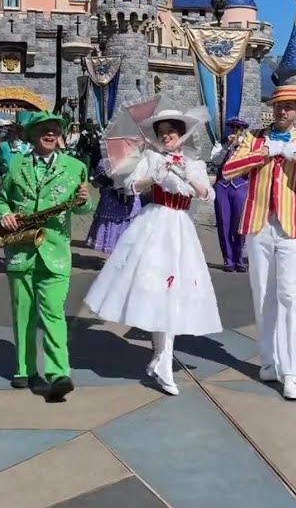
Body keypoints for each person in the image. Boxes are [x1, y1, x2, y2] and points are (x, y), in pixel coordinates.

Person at [85, 109, 222, 396]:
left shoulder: (192, 162)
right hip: (155, 222)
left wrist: (188, 175)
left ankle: (162, 356)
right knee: (157, 289)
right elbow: (131, 187)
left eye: (171, 131)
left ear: (180, 134)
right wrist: (154, 177)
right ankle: (163, 357)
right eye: (162, 133)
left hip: (180, 227)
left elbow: (208, 196)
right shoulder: (152, 157)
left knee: (174, 291)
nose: (167, 136)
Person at [221, 85, 296, 401]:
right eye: (278, 106)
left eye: (289, 106)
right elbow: (229, 169)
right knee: (262, 296)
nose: (283, 111)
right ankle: (269, 361)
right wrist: (264, 153)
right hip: (258, 225)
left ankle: (291, 372)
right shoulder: (254, 137)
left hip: (290, 226)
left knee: (289, 296)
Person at [0, 111, 93, 402]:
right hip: (20, 249)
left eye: (54, 130)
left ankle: (59, 373)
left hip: (55, 251)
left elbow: (84, 209)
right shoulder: (16, 165)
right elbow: (1, 201)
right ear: (32, 136)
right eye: (44, 130)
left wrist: (86, 202)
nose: (50, 134)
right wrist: (6, 215)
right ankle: (24, 369)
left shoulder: (75, 167)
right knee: (22, 313)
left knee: (53, 313)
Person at [211, 116, 251, 273]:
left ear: (243, 130)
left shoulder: (247, 146)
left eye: (238, 127)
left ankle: (239, 258)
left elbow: (251, 164)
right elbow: (215, 161)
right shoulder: (220, 144)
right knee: (223, 222)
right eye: (232, 127)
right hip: (222, 186)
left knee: (239, 223)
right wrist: (227, 146)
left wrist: (241, 148)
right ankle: (228, 259)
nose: (235, 130)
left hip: (240, 185)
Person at [85, 159, 140, 254]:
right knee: (114, 225)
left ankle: (124, 257)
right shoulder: (108, 157)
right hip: (111, 197)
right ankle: (114, 258)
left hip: (130, 200)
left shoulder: (138, 156)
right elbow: (99, 177)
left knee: (129, 226)